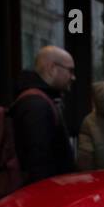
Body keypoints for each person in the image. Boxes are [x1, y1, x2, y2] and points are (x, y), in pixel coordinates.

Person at [11, 45, 76, 184]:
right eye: (70, 71)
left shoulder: (41, 100)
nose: (73, 77)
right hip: (44, 195)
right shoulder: (36, 105)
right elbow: (38, 163)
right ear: (52, 68)